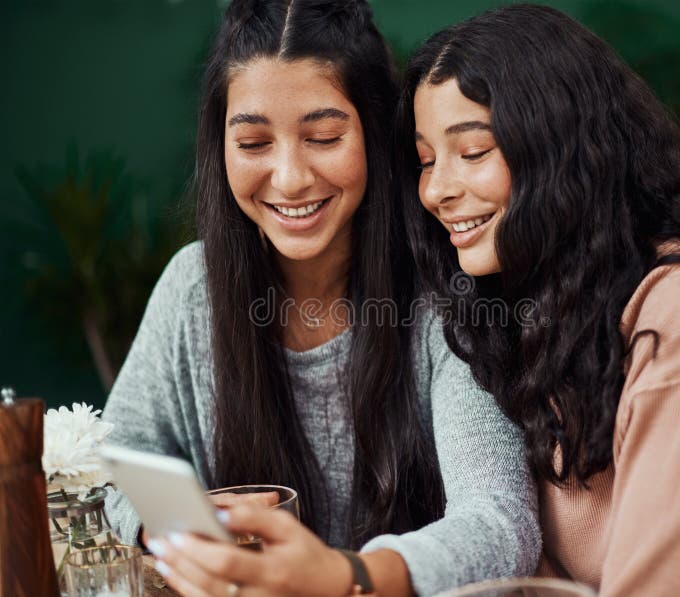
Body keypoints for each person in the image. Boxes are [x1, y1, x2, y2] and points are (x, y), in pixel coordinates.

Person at [101, 1, 541, 595]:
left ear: (375, 129)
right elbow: (113, 466)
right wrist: (177, 527)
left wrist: (347, 576)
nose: (290, 178)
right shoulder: (192, 288)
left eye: (324, 136)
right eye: (254, 143)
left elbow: (500, 522)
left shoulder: (445, 288)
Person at [399, 4, 680, 596]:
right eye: (426, 161)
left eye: (474, 153)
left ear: (562, 149)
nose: (437, 190)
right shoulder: (543, 318)